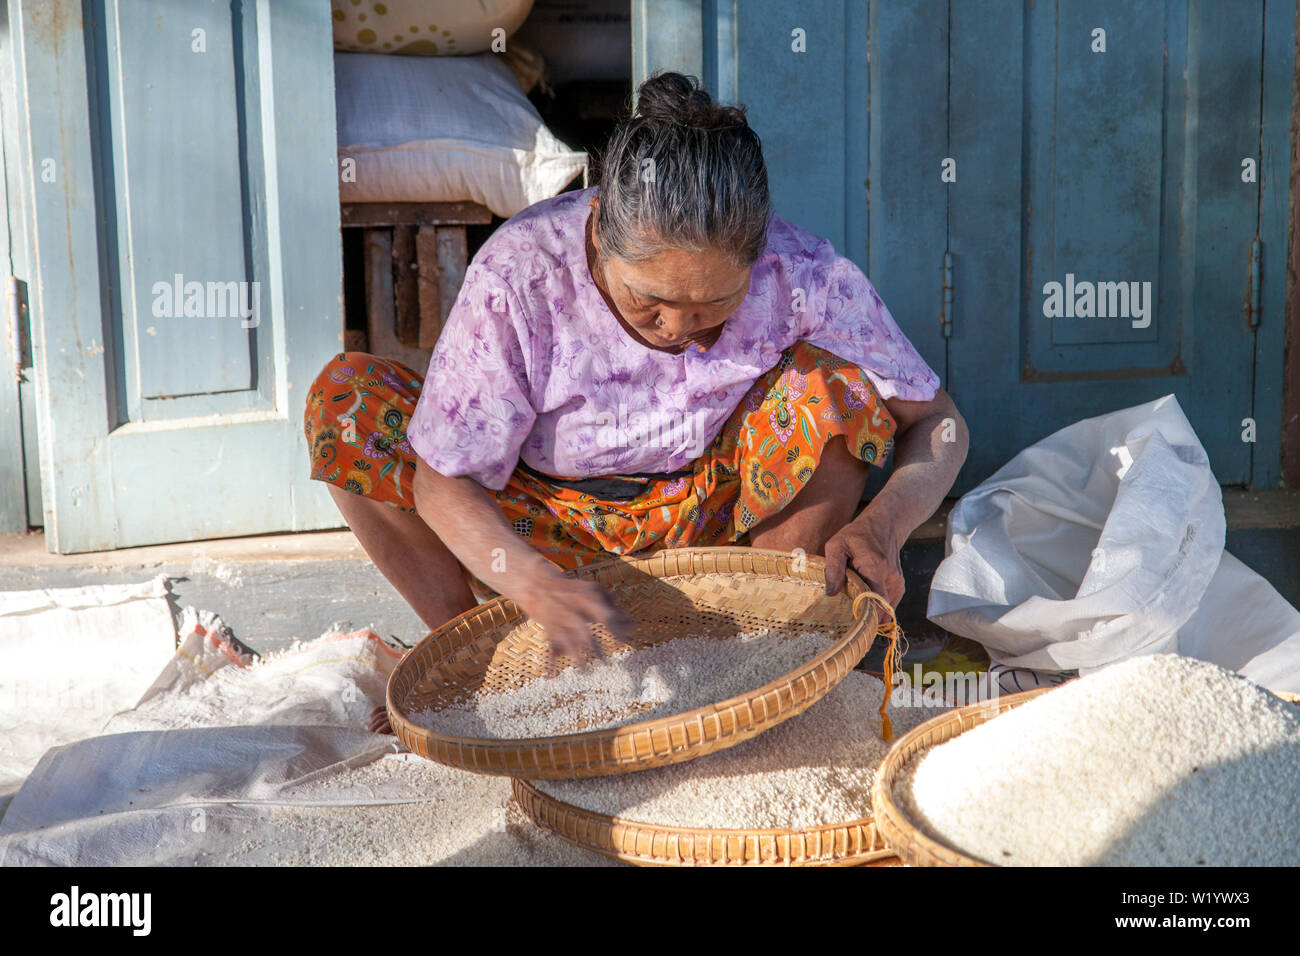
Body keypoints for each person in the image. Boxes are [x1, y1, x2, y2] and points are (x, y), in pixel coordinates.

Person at [304, 72, 969, 733]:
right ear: (596, 229)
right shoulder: (522, 274)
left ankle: (768, 645)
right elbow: (444, 481)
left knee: (833, 388)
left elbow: (938, 426)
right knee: (347, 403)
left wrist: (884, 525)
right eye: (649, 303)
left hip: (713, 521)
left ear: (758, 255)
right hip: (546, 528)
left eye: (713, 306)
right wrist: (533, 585)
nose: (678, 329)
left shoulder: (803, 275)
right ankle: (483, 659)